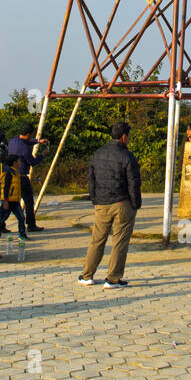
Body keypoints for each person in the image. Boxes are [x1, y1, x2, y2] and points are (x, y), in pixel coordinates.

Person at [79, 122, 142, 289]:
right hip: (122, 204)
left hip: (101, 204)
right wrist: (136, 204)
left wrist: (95, 200)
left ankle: (87, 275)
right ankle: (112, 279)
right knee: (119, 242)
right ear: (123, 137)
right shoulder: (127, 156)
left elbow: (91, 180)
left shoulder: (97, 154)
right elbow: (133, 183)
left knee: (97, 241)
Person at [7, 124, 48, 233]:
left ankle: (1, 223)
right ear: (28, 134)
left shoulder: (13, 140)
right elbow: (33, 162)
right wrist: (42, 155)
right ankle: (31, 224)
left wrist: (38, 141)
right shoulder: (25, 149)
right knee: (29, 201)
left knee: (10, 200)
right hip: (22, 177)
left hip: (11, 175)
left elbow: (27, 141)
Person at [0, 154, 29, 240]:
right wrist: (5, 200)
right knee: (1, 218)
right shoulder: (9, 173)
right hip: (8, 201)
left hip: (15, 201)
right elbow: (6, 187)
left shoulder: (15, 173)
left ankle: (22, 234)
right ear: (14, 163)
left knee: (21, 217)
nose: (20, 163)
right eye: (18, 161)